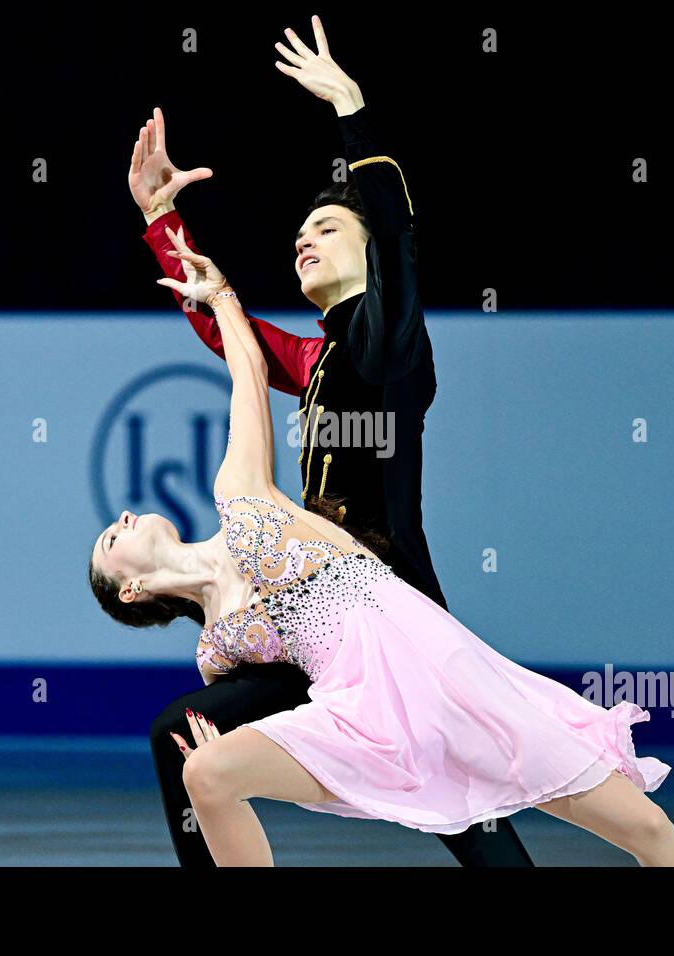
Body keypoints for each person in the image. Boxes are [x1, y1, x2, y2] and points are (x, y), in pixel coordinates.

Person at [88, 220, 674, 867]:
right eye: (110, 537)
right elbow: (252, 701)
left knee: (645, 828)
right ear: (130, 590)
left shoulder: (239, 494)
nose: (125, 515)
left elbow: (247, 372)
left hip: (428, 657)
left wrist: (215, 294)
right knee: (207, 773)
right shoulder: (216, 648)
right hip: (357, 703)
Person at [125, 16, 534, 865]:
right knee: (183, 732)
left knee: (462, 805)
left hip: (394, 610)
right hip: (319, 615)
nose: (304, 237)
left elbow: (394, 237)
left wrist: (353, 112)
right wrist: (165, 220)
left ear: (371, 258)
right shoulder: (321, 357)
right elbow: (228, 331)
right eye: (301, 231)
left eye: (328, 229)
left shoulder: (392, 348)